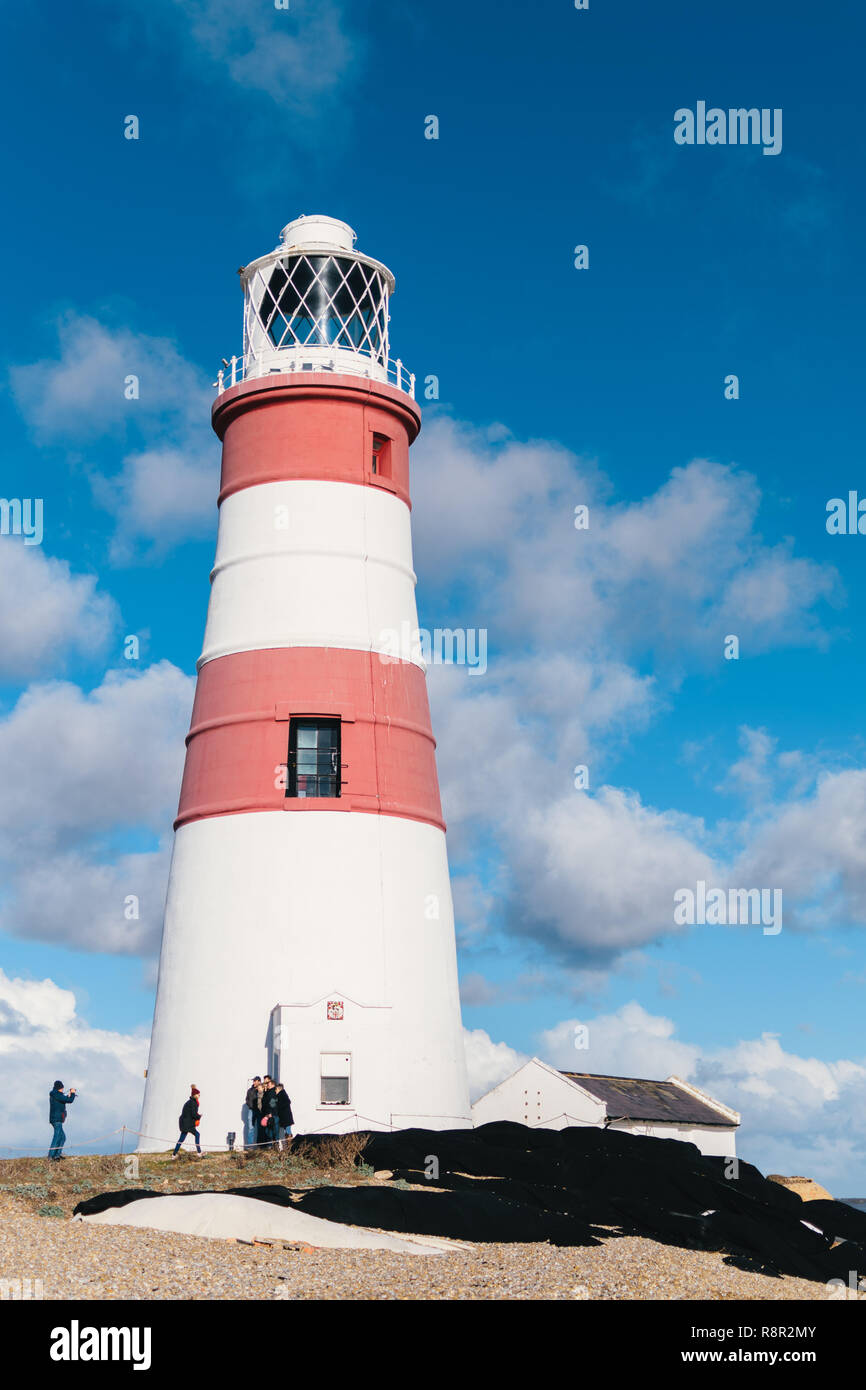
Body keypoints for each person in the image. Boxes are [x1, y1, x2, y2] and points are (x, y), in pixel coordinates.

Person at [48, 1080, 76, 1161]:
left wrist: (69, 1095)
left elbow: (64, 1099)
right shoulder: (56, 1094)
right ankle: (51, 1156)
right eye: (62, 1088)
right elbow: (70, 1100)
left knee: (62, 1137)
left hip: (57, 1119)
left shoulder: (56, 1094)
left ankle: (57, 1155)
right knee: (57, 1137)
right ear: (60, 1088)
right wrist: (73, 1093)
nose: (63, 1089)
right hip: (56, 1119)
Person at [172, 1086, 202, 1157]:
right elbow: (193, 1114)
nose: (199, 1095)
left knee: (181, 1139)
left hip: (184, 1123)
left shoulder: (189, 1102)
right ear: (194, 1095)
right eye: (198, 1094)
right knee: (197, 1134)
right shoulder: (193, 1103)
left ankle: (174, 1154)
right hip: (188, 1124)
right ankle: (199, 1152)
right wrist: (199, 1117)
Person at [259, 1076, 278, 1148]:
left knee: (273, 1130)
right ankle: (270, 1145)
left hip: (272, 1114)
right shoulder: (268, 1092)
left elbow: (272, 1103)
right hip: (268, 1114)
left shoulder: (272, 1092)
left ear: (272, 1085)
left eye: (269, 1084)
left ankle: (274, 1146)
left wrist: (270, 1113)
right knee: (269, 1130)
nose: (267, 1085)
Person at [274, 1082, 294, 1150]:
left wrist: (279, 1106)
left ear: (279, 1089)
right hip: (284, 1118)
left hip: (286, 1118)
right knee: (283, 1133)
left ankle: (288, 1147)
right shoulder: (281, 1095)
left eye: (276, 1089)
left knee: (287, 1132)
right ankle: (286, 1147)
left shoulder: (282, 1095)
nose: (275, 1091)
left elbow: (287, 1102)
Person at [244, 1076, 262, 1148]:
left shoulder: (261, 1089)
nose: (254, 1082)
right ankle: (250, 1145)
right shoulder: (250, 1090)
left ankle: (260, 1145)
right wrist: (250, 1105)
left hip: (259, 1110)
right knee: (251, 1127)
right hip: (251, 1110)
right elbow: (247, 1099)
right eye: (253, 1081)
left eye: (255, 1081)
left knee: (260, 1128)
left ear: (259, 1081)